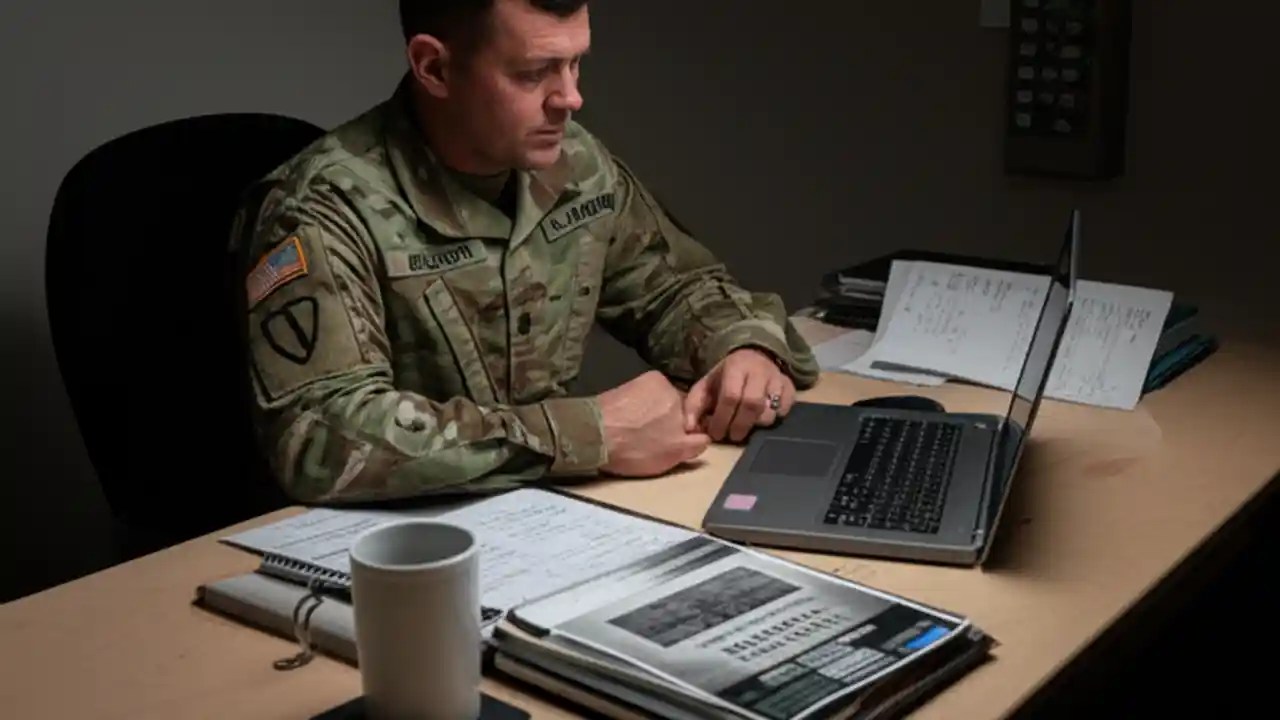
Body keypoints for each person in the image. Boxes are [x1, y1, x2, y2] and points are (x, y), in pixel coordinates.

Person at [230, 0, 820, 505]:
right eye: (535, 73)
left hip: (544, 518)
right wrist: (588, 434)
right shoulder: (321, 207)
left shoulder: (575, 166)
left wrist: (741, 347)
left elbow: (674, 288)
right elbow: (321, 435)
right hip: (397, 550)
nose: (571, 98)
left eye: (575, 63)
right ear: (434, 67)